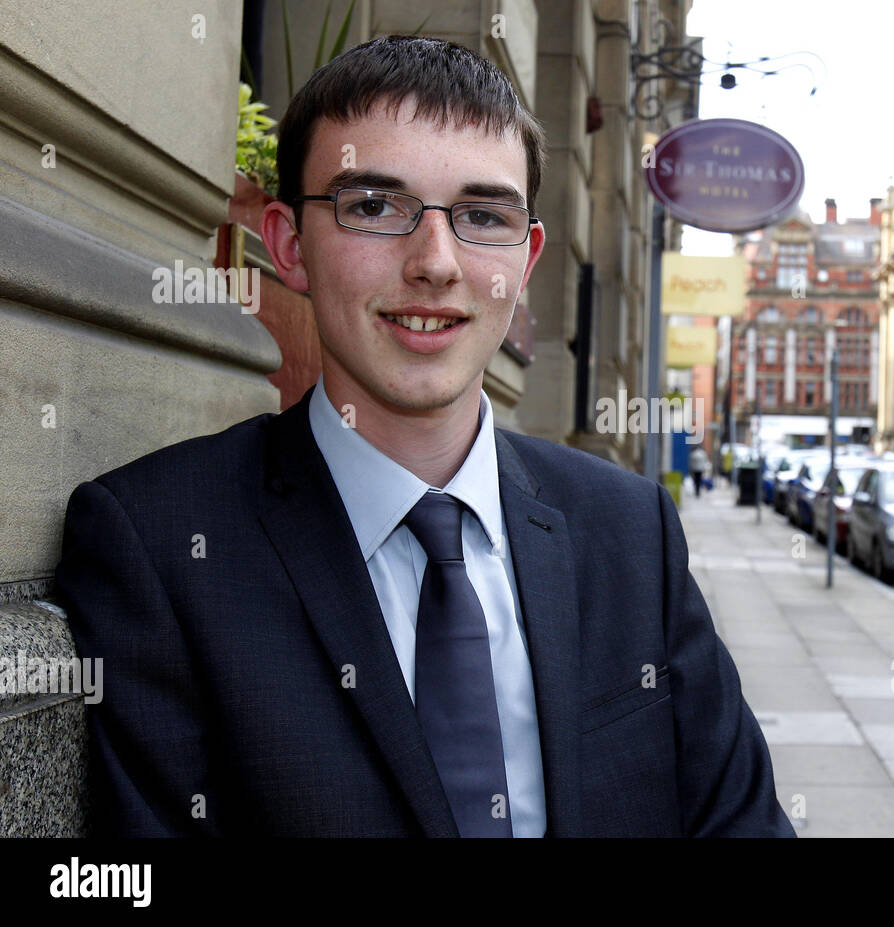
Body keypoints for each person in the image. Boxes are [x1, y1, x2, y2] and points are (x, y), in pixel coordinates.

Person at [55, 36, 791, 838]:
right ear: (290, 244)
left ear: (527, 256)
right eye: (372, 206)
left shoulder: (630, 532)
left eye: (482, 215)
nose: (436, 263)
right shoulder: (159, 544)